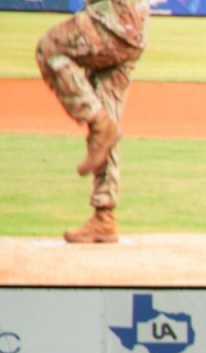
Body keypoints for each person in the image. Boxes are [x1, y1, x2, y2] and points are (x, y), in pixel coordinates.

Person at [35, 0, 150, 244]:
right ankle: (104, 216)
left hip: (113, 19)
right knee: (108, 114)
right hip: (135, 25)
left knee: (49, 49)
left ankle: (98, 123)